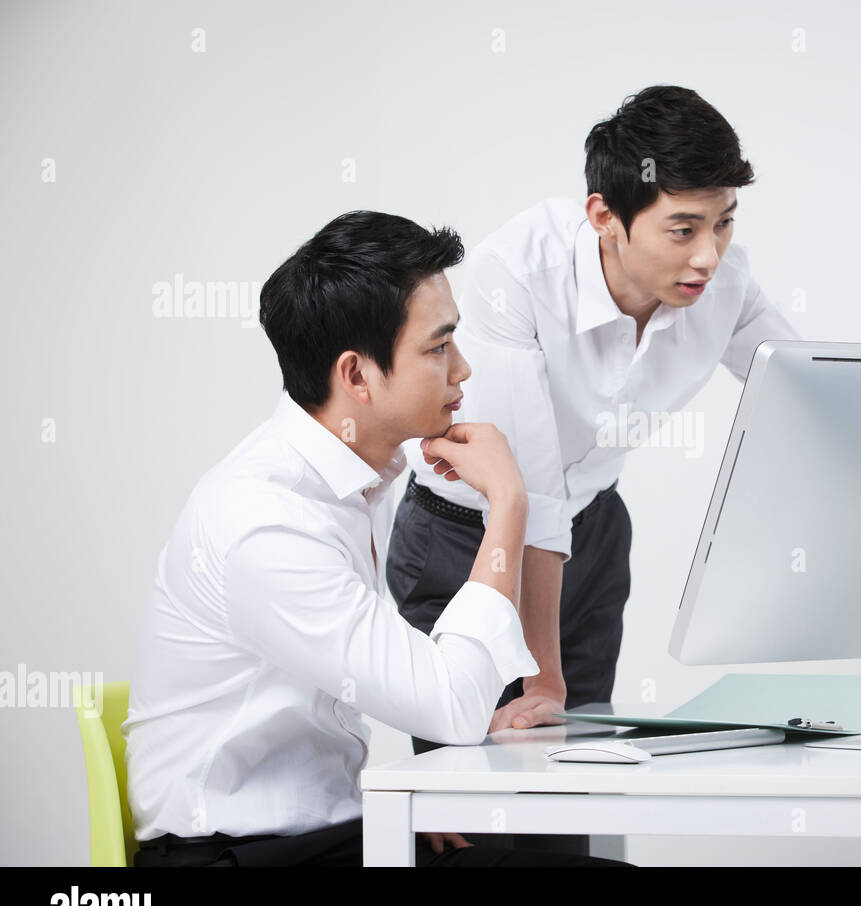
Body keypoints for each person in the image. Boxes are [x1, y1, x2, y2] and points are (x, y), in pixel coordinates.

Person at [123, 210, 630, 866]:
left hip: (328, 835)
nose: (464, 369)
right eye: (439, 346)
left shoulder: (347, 485)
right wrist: (508, 502)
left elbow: (393, 689)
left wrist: (387, 816)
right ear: (357, 376)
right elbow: (450, 704)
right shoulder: (267, 524)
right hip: (237, 858)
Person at [386, 86, 800, 855]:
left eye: (724, 223)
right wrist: (544, 674)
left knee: (569, 806)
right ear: (604, 216)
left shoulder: (723, 283)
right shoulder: (520, 269)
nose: (709, 254)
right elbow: (528, 494)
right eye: (683, 229)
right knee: (467, 826)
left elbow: (806, 391)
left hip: (595, 532)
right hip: (462, 542)